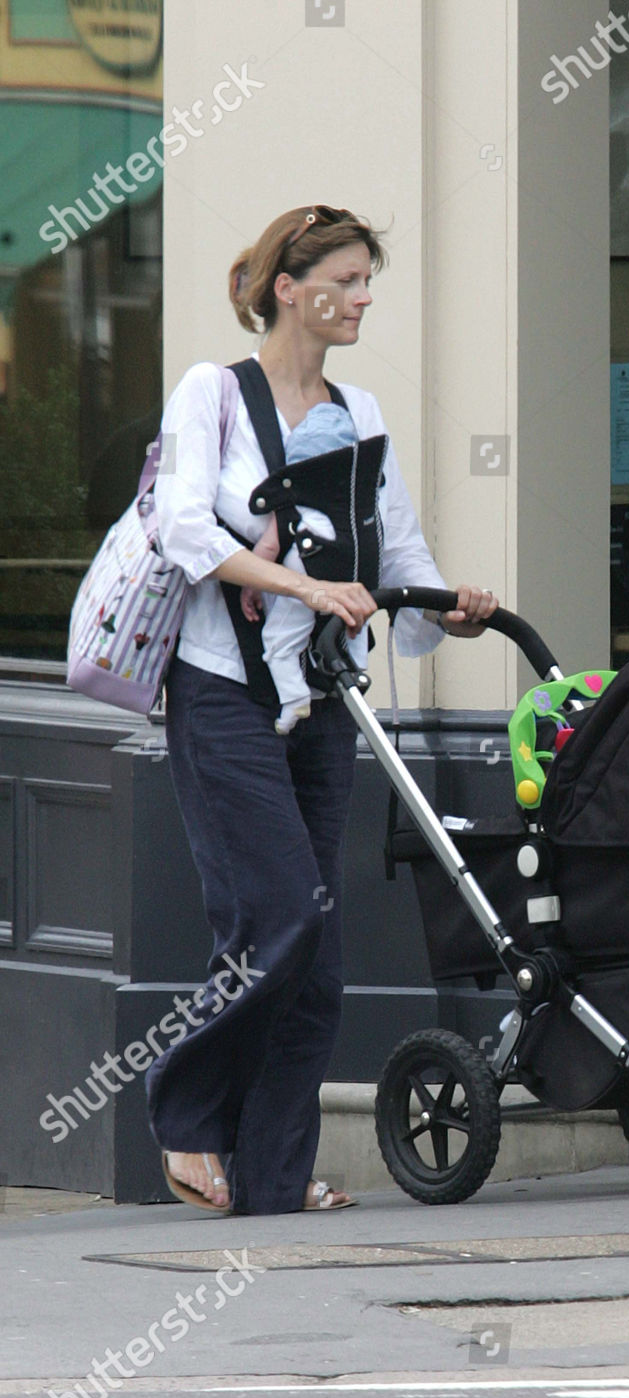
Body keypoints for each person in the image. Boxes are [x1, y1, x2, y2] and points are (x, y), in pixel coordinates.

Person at [146, 204, 498, 1215]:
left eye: (365, 280)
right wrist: (300, 588)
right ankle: (186, 1119)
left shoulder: (363, 415)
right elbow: (181, 529)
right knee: (282, 913)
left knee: (320, 954)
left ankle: (268, 1177)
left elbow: (395, 556)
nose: (361, 298)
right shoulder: (212, 394)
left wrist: (453, 609)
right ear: (288, 289)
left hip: (323, 701)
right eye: (343, 280)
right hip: (220, 691)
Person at [241, 400, 360, 735]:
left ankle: (294, 698)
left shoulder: (295, 504)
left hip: (306, 567)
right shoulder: (357, 506)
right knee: (353, 623)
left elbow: (268, 547)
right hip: (352, 568)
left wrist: (252, 586)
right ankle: (356, 681)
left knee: (281, 638)